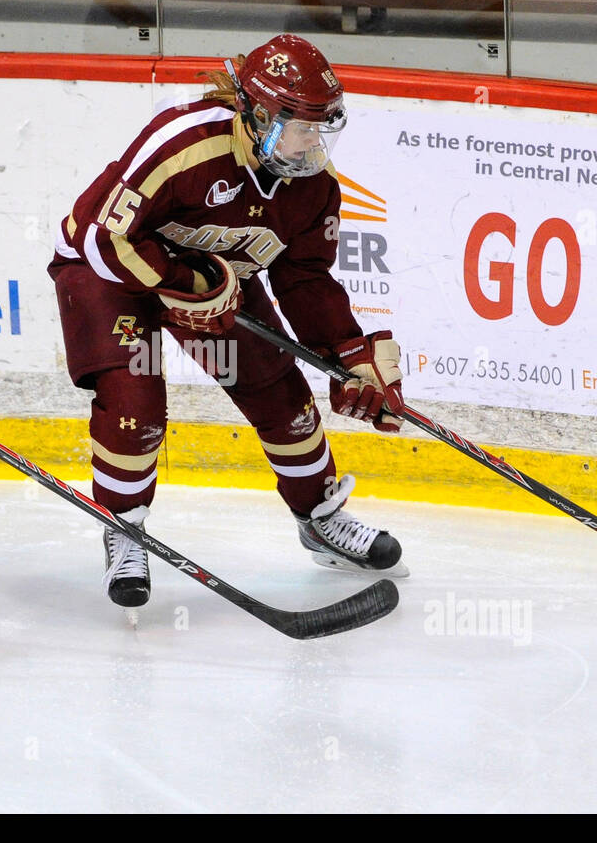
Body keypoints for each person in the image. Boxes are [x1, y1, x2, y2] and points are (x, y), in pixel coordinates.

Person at [49, 33, 407, 609]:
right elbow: (102, 235)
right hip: (111, 278)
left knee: (281, 395)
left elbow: (305, 279)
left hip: (215, 288)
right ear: (259, 114)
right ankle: (124, 528)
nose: (312, 140)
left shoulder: (312, 188)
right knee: (135, 404)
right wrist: (189, 284)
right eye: (300, 124)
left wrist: (350, 355)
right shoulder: (185, 144)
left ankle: (319, 518)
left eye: (321, 125)